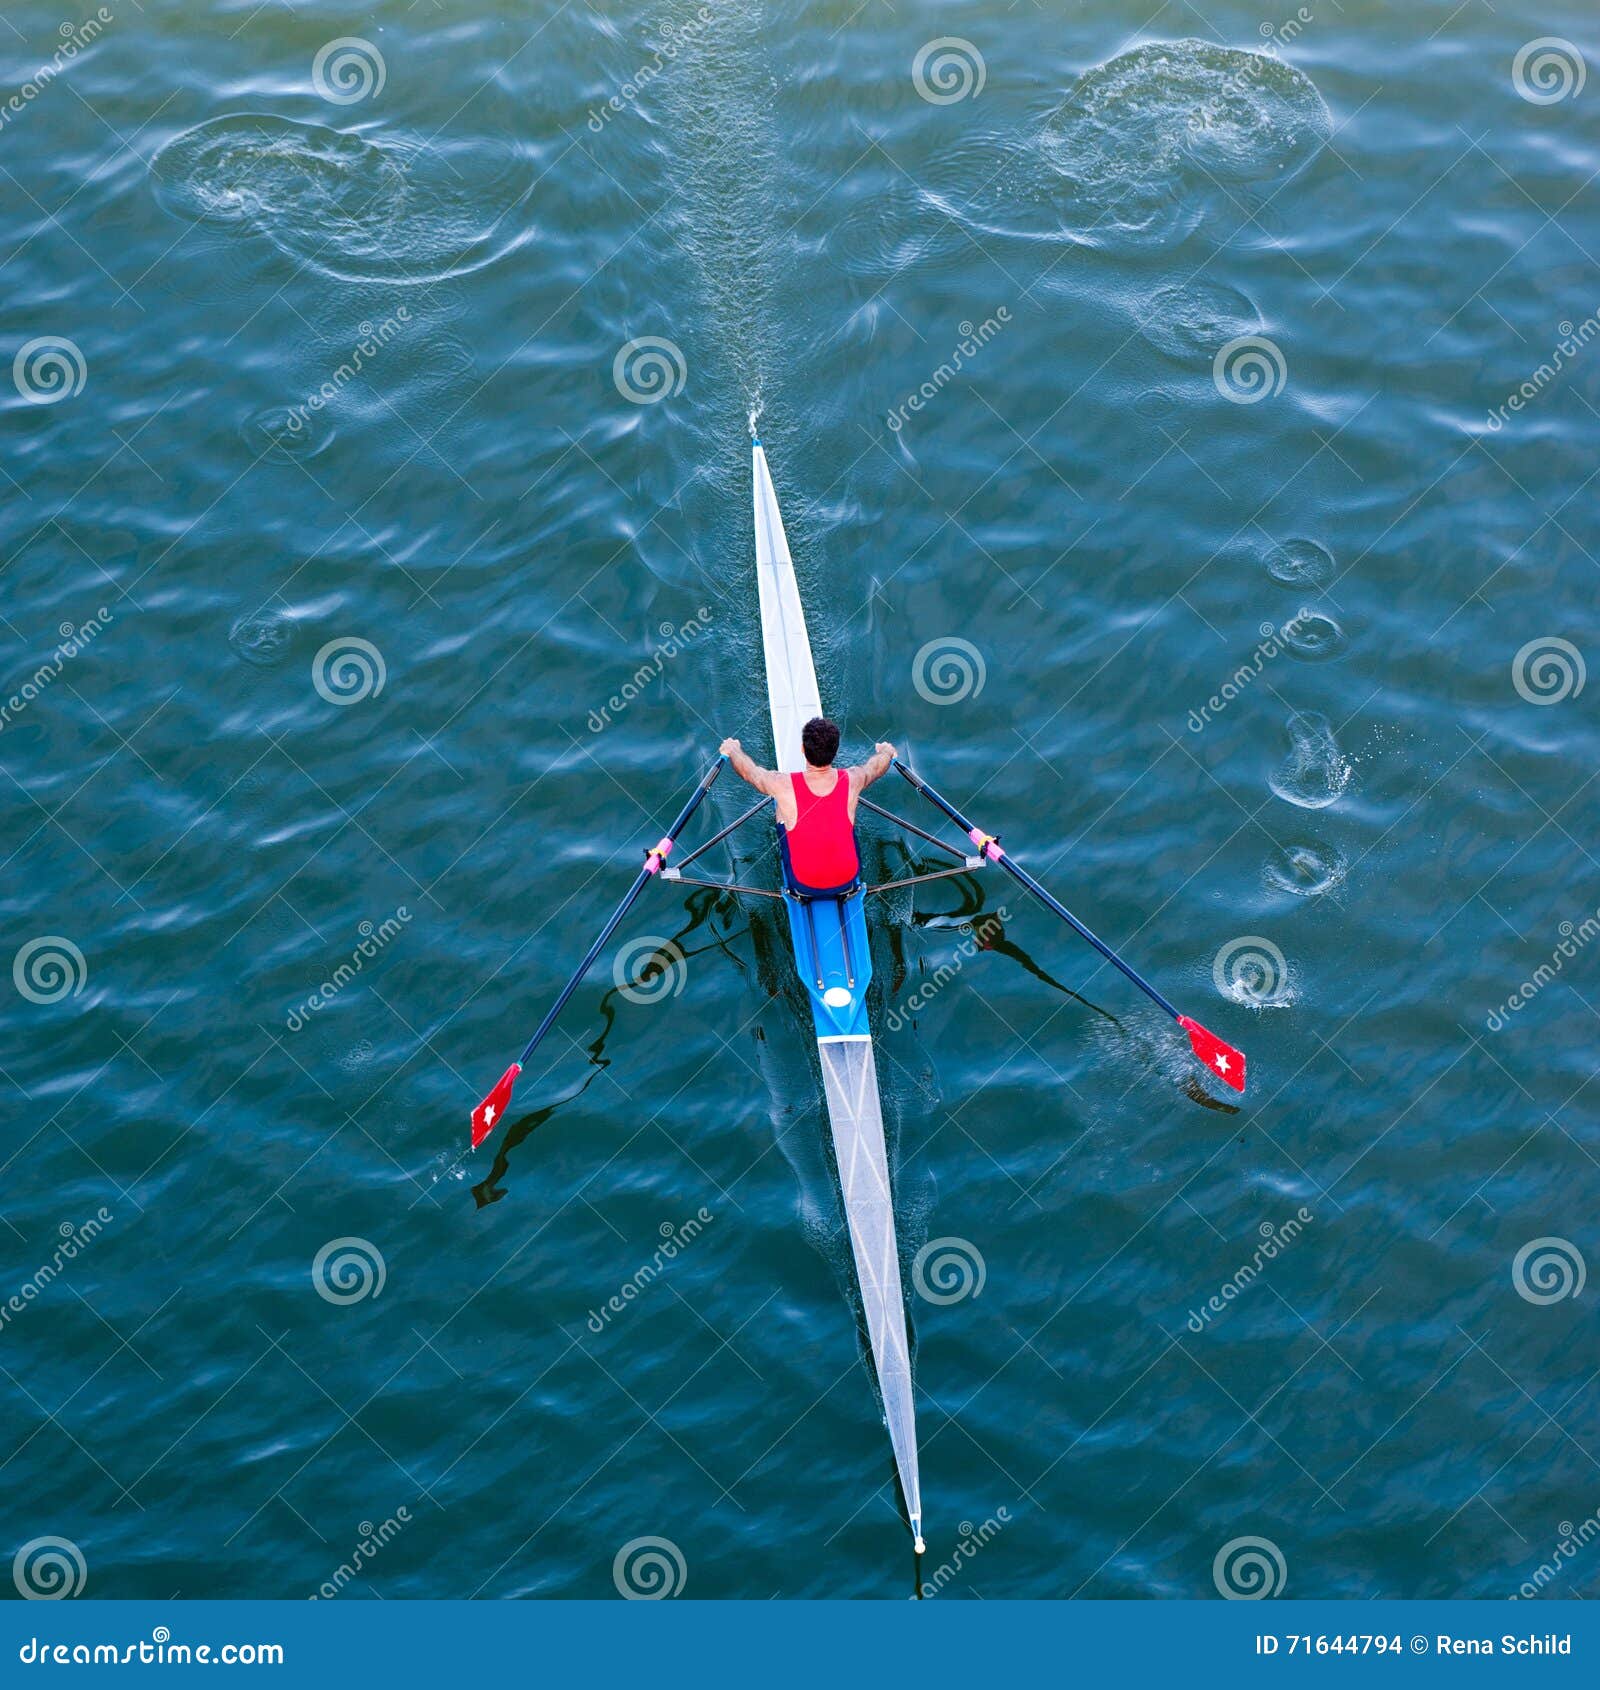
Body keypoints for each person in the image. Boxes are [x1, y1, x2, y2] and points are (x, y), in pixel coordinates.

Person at [719, 718, 895, 896]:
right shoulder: (853, 779)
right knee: (847, 814)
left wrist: (733, 750)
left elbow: (750, 772)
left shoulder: (782, 784)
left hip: (803, 886)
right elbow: (874, 768)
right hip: (847, 882)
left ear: (802, 749)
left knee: (781, 807)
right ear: (835, 750)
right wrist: (886, 752)